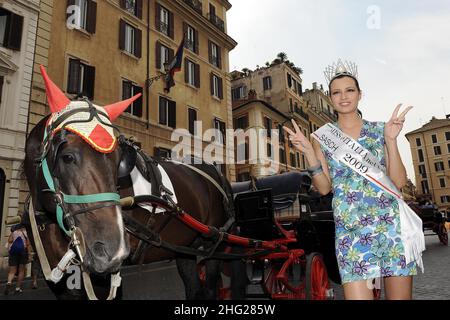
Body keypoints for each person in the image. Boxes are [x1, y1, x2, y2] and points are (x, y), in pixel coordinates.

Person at [284, 59, 421, 300]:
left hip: (390, 227)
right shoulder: (322, 138)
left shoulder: (381, 130)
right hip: (351, 231)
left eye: (350, 90)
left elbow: (399, 182)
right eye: (336, 92)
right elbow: (324, 188)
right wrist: (307, 152)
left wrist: (391, 140)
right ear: (330, 98)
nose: (343, 96)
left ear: (360, 95)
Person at [4, 224, 30, 295]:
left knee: (12, 271)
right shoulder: (26, 232)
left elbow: (10, 240)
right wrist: (29, 253)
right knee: (21, 271)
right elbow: (27, 244)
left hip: (13, 252)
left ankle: (9, 282)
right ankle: (17, 288)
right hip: (23, 252)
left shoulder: (14, 231)